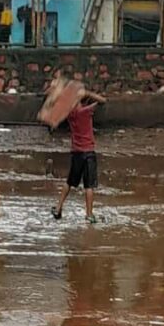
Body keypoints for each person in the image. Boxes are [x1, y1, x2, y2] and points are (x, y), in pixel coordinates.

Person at [51, 88, 106, 224]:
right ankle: (89, 214)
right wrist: (88, 93)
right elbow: (103, 101)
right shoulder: (85, 112)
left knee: (70, 182)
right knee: (89, 185)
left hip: (76, 152)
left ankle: (58, 208)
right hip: (88, 153)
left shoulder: (70, 114)